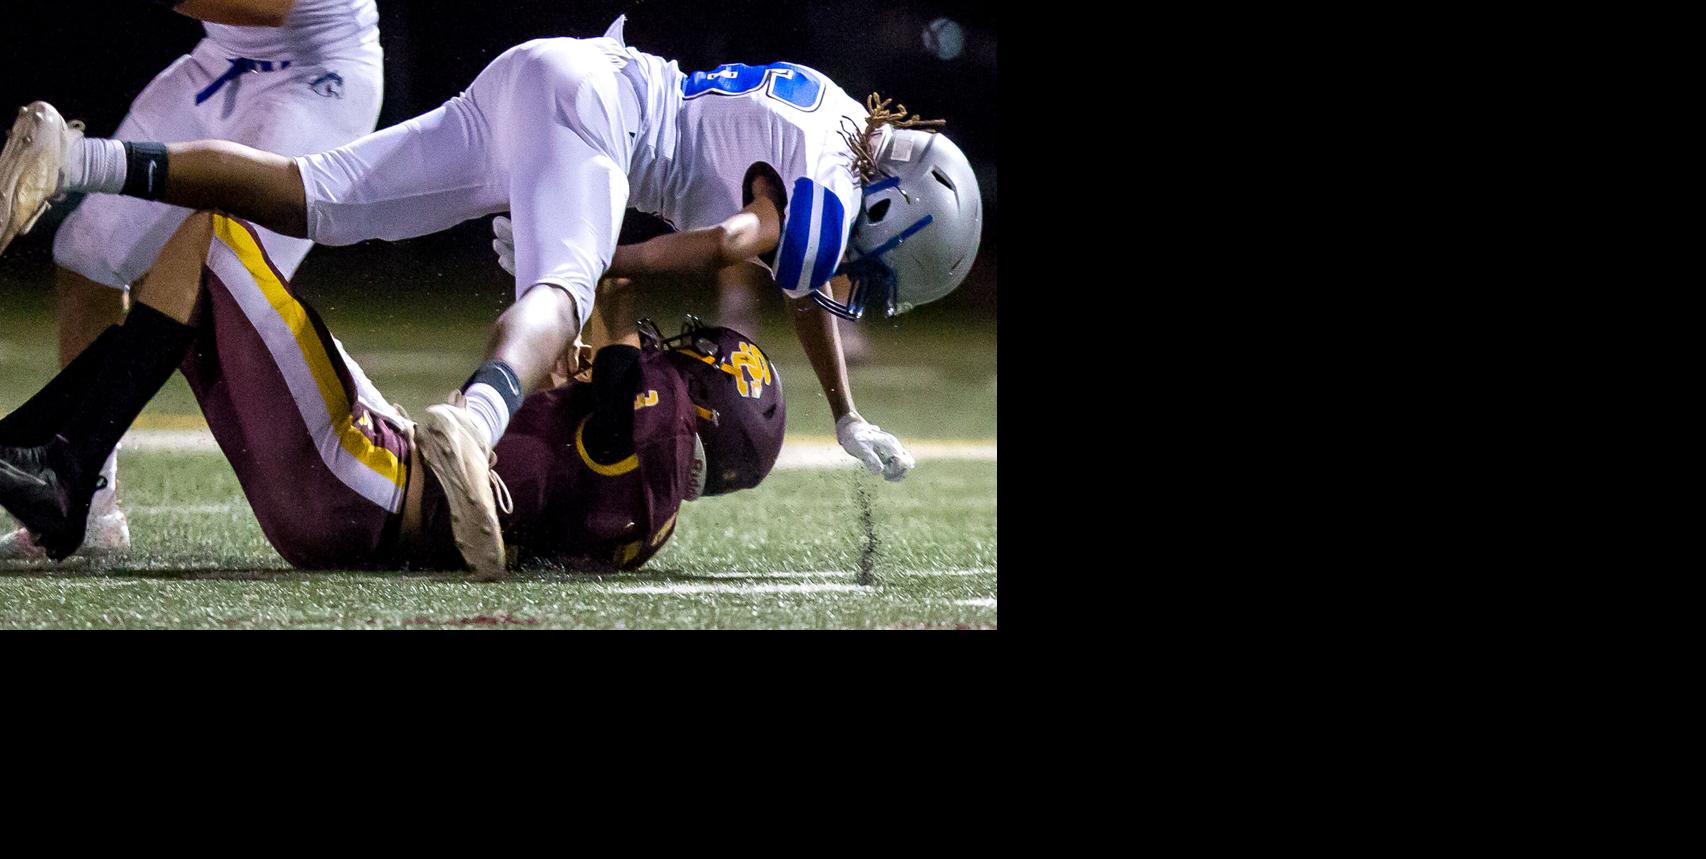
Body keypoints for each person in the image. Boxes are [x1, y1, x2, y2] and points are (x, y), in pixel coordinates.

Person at [0, 13, 980, 580]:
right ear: (894, 207)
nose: (856, 286)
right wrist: (625, 260)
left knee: (319, 199)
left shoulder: (838, 124)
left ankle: (82, 156)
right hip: (599, 113)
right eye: (876, 268)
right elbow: (743, 240)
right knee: (564, 283)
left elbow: (791, 269)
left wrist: (845, 411)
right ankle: (474, 416)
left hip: (546, 69)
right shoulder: (827, 187)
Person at [0, 213, 785, 575]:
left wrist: (608, 278)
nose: (664, 355)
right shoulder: (644, 518)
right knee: (196, 300)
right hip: (375, 504)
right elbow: (558, 457)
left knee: (211, 233)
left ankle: (65, 473)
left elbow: (620, 389)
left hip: (371, 482)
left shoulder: (660, 423)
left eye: (687, 358)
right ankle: (43, 454)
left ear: (708, 400)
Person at [0, 0, 383, 560]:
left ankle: (56, 466)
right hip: (223, 64)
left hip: (316, 77)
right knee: (86, 252)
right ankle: (91, 503)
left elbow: (268, 7)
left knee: (211, 273)